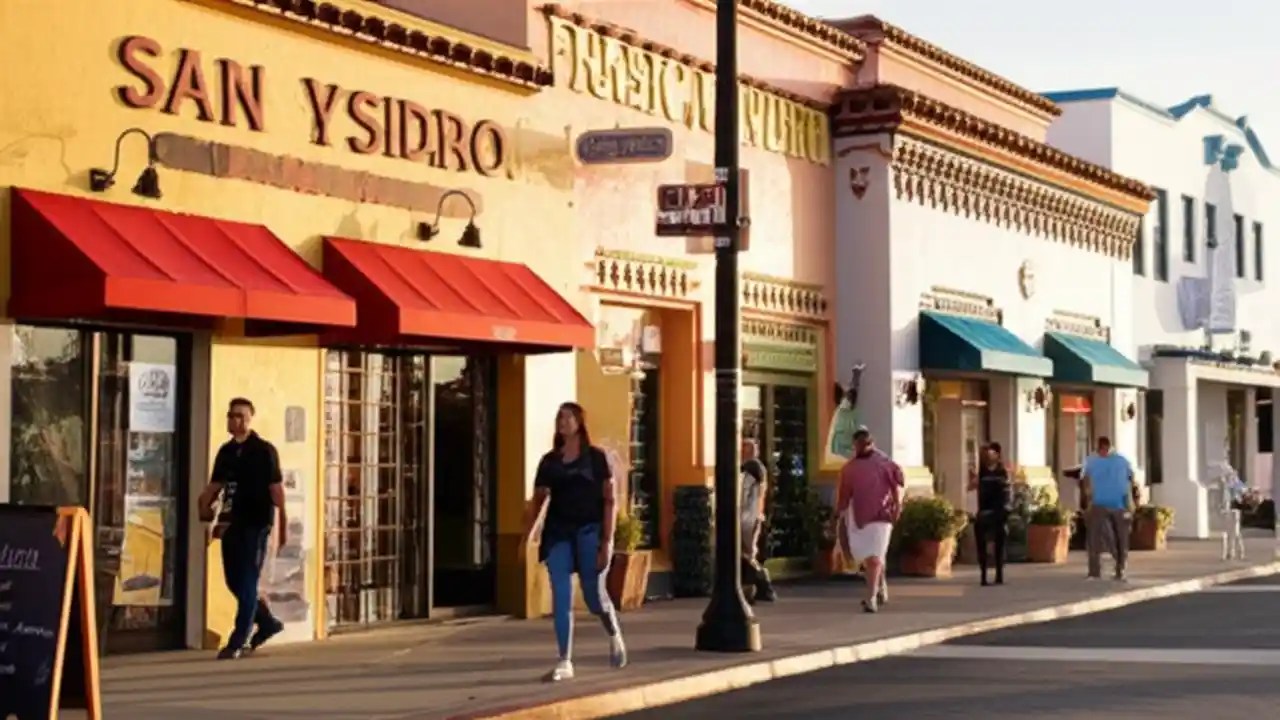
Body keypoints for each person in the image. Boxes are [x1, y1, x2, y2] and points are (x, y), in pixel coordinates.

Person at [521, 402, 626, 682]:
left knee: (593, 597)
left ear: (580, 422)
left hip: (590, 531)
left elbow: (609, 500)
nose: (563, 421)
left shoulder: (596, 458)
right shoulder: (550, 462)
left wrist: (607, 541)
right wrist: (527, 535)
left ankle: (613, 632)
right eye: (559, 417)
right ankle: (564, 660)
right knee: (562, 596)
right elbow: (539, 500)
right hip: (558, 533)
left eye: (568, 417)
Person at [197, 398, 287, 659]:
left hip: (257, 523)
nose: (234, 420)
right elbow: (214, 487)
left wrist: (283, 525)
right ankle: (268, 622)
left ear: (249, 419)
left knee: (248, 581)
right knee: (234, 581)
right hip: (230, 523)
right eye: (230, 415)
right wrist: (204, 509)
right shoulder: (226, 452)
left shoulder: (264, 451)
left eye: (239, 416)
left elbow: (277, 491)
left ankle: (237, 639)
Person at [835, 427, 904, 613]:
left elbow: (896, 486)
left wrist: (897, 506)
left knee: (874, 557)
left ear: (871, 443)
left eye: (865, 444)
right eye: (858, 444)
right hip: (858, 516)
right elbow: (844, 495)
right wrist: (839, 514)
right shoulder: (849, 468)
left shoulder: (885, 463)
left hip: (881, 516)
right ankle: (880, 585)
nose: (861, 447)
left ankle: (870, 597)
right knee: (870, 557)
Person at [1081, 436, 1135, 582]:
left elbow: (1086, 481)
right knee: (1102, 538)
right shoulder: (1121, 461)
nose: (1103, 452)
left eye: (1103, 449)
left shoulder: (1094, 461)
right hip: (1109, 503)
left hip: (1113, 504)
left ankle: (1114, 570)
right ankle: (1102, 571)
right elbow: (1131, 480)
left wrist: (1088, 500)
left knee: (1110, 538)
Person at [967, 442, 1012, 586]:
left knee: (999, 543)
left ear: (997, 455)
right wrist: (973, 479)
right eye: (985, 454)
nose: (987, 456)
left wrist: (1006, 510)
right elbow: (971, 487)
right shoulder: (982, 472)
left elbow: (1007, 491)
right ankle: (983, 576)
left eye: (990, 453)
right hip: (984, 512)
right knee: (981, 544)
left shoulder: (1002, 471)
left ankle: (999, 574)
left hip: (998, 512)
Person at [740, 437, 777, 604]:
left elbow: (744, 496)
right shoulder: (759, 469)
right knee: (747, 554)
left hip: (747, 518)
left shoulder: (750, 469)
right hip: (753, 517)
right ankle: (753, 590)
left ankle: (763, 586)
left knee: (748, 554)